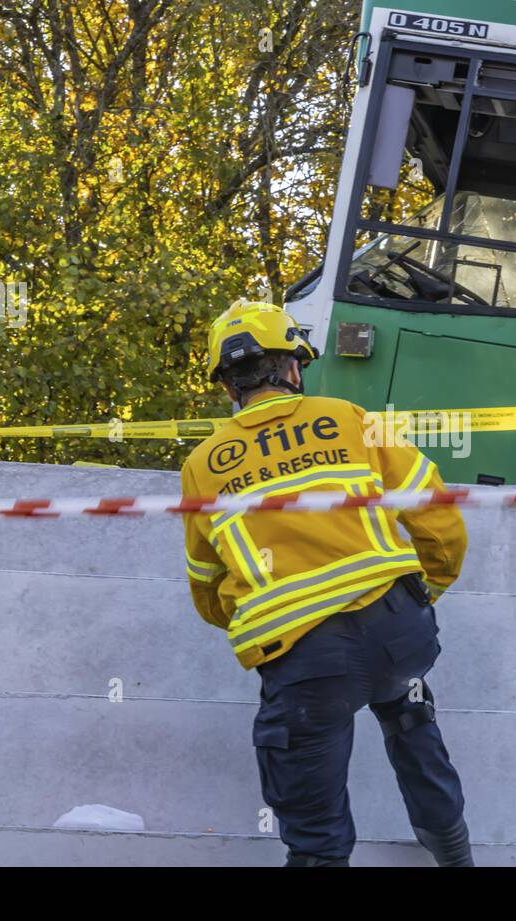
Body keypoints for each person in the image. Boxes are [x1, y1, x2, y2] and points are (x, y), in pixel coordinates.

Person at [181, 300, 473, 867]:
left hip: (306, 664)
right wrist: (423, 592)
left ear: (227, 384)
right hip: (398, 633)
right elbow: (436, 516)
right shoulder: (349, 417)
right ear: (293, 366)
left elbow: (206, 583)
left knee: (315, 835)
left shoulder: (202, 464)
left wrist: (263, 618)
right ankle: (456, 855)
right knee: (410, 717)